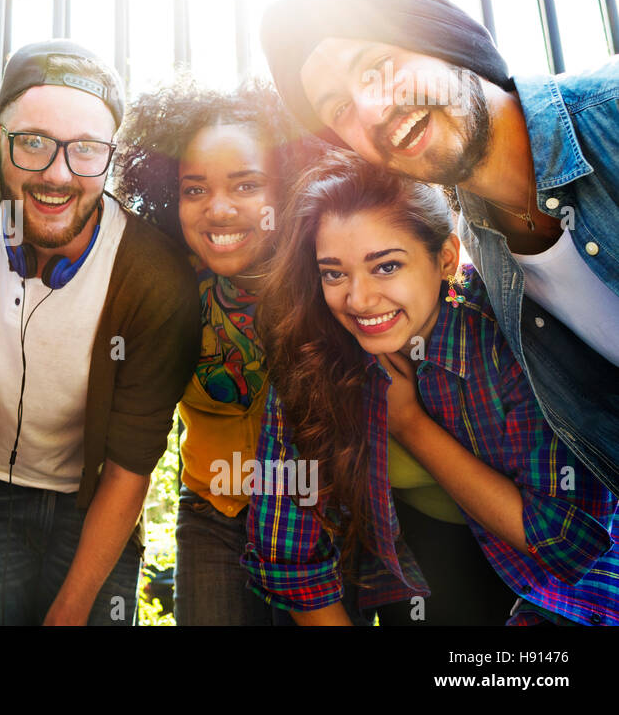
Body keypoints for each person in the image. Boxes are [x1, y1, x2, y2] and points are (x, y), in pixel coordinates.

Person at [261, 0, 619, 497]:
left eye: (378, 67)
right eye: (338, 109)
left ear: (448, 44)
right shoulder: (481, 241)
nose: (371, 110)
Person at [243, 150, 619, 626]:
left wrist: (410, 424)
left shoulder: (512, 334)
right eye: (334, 273)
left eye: (385, 266)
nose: (357, 299)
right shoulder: (313, 351)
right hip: (417, 570)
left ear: (445, 258)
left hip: (560, 592)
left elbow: (569, 543)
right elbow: (290, 551)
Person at [0, 39, 199, 626]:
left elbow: (131, 467)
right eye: (34, 143)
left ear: (112, 156)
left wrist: (70, 611)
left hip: (94, 504)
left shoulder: (153, 277)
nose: (58, 174)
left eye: (87, 150)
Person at [113, 77, 311, 625]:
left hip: (320, 519)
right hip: (211, 518)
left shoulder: (329, 277)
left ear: (286, 187)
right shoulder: (167, 286)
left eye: (246, 185)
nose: (218, 209)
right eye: (194, 189)